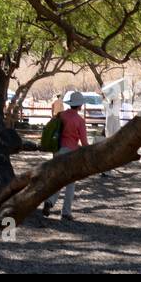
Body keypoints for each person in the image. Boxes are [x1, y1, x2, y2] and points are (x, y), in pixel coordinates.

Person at [42, 90, 89, 220]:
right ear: (80, 105)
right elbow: (84, 142)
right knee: (70, 183)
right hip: (71, 152)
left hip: (57, 150)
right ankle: (66, 212)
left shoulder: (61, 115)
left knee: (57, 179)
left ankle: (50, 201)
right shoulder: (80, 120)